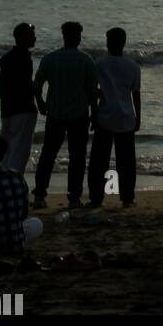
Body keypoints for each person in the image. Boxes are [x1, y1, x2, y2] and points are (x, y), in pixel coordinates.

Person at [32, 21, 98, 209]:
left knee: (48, 154)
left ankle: (39, 195)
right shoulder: (86, 60)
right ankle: (74, 198)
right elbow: (93, 92)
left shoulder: (50, 59)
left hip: (55, 113)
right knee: (77, 157)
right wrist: (95, 113)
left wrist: (41, 103)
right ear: (78, 37)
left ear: (63, 36)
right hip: (79, 114)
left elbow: (36, 86)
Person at [87, 28, 141, 208]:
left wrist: (93, 113)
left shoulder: (100, 62)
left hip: (105, 116)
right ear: (124, 43)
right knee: (126, 162)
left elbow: (92, 91)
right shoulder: (133, 66)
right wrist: (138, 117)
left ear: (109, 42)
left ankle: (96, 198)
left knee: (98, 161)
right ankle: (127, 198)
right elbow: (136, 94)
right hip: (125, 116)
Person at [0, 22, 37, 176]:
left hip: (7, 109)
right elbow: (25, 85)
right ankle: (14, 183)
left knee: (8, 152)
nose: (34, 38)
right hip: (23, 108)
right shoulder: (23, 59)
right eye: (31, 35)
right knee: (19, 152)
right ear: (22, 38)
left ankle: (4, 181)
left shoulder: (7, 58)